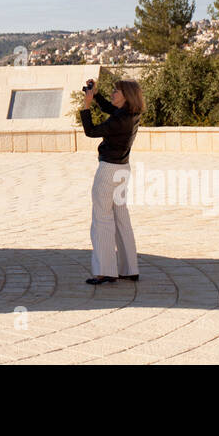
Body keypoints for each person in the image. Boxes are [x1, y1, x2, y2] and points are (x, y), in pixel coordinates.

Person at [79, 77, 144, 285]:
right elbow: (110, 108)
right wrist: (96, 95)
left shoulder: (118, 120)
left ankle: (105, 271)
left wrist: (86, 106)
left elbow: (91, 131)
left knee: (102, 219)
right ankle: (129, 268)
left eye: (116, 91)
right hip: (123, 169)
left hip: (108, 171)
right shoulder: (131, 114)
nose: (113, 94)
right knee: (121, 217)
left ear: (126, 96)